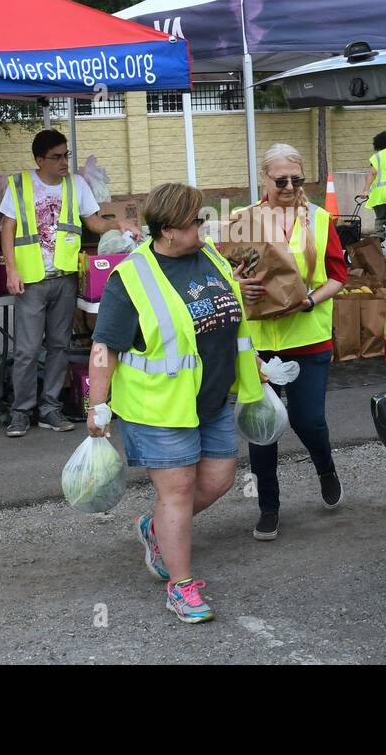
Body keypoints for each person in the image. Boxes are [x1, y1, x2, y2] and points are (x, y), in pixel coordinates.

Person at [87, 183, 263, 623]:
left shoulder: (212, 258)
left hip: (213, 399)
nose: (203, 226)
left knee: (220, 480)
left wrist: (252, 360)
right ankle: (181, 587)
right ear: (167, 230)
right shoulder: (130, 277)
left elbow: (224, 319)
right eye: (195, 222)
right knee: (178, 492)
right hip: (159, 407)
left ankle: (154, 529)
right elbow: (103, 348)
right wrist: (97, 406)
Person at [235, 143, 347, 541]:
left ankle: (325, 466)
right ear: (264, 178)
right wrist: (239, 286)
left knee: (307, 420)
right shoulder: (242, 220)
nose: (287, 186)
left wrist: (309, 302)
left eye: (295, 180)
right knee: (262, 428)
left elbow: (338, 275)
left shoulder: (319, 218)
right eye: (280, 180)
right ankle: (269, 506)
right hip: (259, 345)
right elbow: (229, 275)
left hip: (308, 339)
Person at [0, 129, 142, 437]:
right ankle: (21, 411)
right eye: (57, 157)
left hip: (64, 278)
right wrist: (11, 270)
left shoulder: (76, 185)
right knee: (25, 350)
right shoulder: (20, 185)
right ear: (39, 160)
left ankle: (50, 408)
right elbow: (7, 229)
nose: (65, 162)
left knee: (59, 347)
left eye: (67, 155)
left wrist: (118, 223)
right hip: (31, 279)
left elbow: (93, 222)